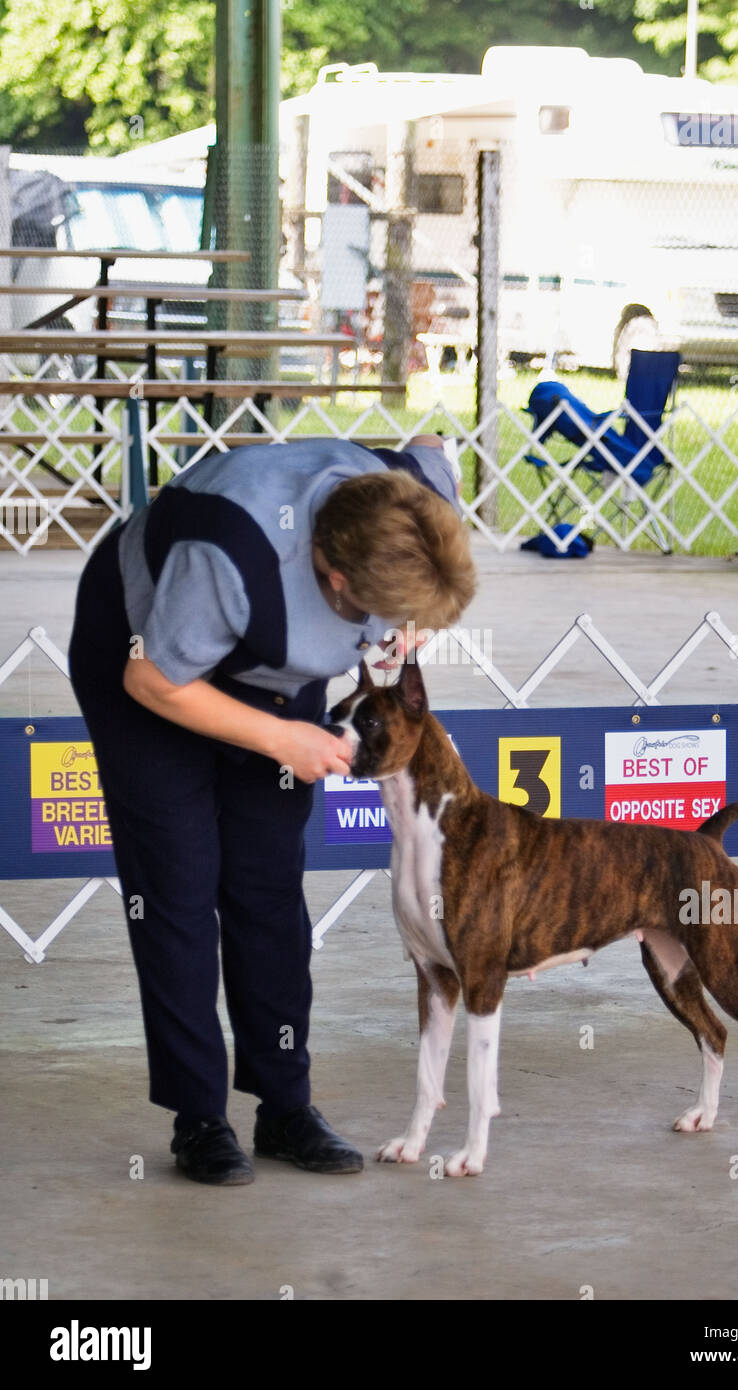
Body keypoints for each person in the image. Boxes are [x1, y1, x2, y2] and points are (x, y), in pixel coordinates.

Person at [68, 435, 476, 1186]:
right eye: (383, 614)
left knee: (267, 886)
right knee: (178, 892)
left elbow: (432, 447)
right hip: (147, 663)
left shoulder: (409, 497)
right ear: (335, 575)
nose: (390, 634)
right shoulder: (228, 553)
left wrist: (415, 616)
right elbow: (154, 681)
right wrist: (279, 736)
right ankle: (199, 1119)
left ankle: (285, 1106)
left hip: (270, 671)